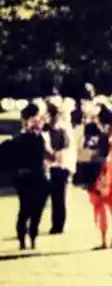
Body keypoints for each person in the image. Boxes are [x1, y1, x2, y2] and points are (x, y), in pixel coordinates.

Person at [11, 102, 52, 250]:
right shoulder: (30, 137)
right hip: (34, 175)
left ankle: (26, 236)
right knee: (32, 208)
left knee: (28, 208)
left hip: (29, 175)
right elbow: (50, 155)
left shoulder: (22, 137)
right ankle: (28, 236)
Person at [89, 105, 112, 249]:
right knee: (110, 206)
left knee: (104, 206)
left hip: (106, 171)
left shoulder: (109, 136)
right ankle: (111, 239)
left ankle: (106, 239)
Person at [45, 98, 75, 235]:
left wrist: (55, 153)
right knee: (54, 197)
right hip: (50, 166)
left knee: (61, 198)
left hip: (62, 166)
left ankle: (60, 224)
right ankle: (55, 223)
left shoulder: (63, 130)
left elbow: (66, 145)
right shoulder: (46, 129)